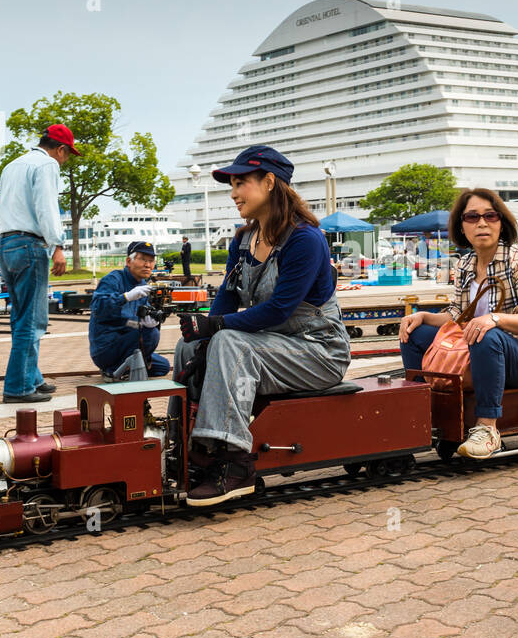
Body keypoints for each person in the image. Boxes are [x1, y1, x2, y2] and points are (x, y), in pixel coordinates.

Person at [172, 146, 350, 507]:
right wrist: (204, 328)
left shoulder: (305, 240)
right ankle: (188, 445)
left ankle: (234, 463)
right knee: (187, 348)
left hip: (318, 351)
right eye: (231, 184)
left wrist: (217, 326)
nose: (234, 193)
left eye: (241, 183)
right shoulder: (243, 240)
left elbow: (279, 310)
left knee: (230, 343)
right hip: (274, 347)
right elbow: (226, 295)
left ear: (270, 182)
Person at [400, 188, 518, 459]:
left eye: (490, 215)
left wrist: (494, 319)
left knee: (487, 333)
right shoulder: (465, 264)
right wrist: (423, 317)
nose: (482, 223)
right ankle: (425, 415)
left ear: (502, 221)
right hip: (481, 350)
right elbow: (458, 315)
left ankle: (488, 429)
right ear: (461, 226)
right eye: (472, 217)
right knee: (413, 332)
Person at [0, 123, 78, 402]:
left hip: (7, 243)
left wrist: (0, 248)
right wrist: (58, 246)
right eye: (67, 155)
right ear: (61, 149)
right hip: (30, 244)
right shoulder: (46, 166)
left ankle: (32, 376)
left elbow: (0, 209)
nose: (65, 161)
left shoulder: (12, 165)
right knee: (33, 320)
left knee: (20, 316)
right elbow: (46, 207)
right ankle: (18, 388)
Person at [90, 240, 171, 378]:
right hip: (107, 346)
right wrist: (125, 297)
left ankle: (126, 368)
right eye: (143, 259)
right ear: (128, 261)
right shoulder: (113, 280)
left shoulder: (143, 285)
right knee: (150, 335)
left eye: (151, 261)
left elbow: (130, 321)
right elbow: (98, 308)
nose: (147, 265)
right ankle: (113, 370)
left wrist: (148, 320)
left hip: (127, 341)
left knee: (163, 366)